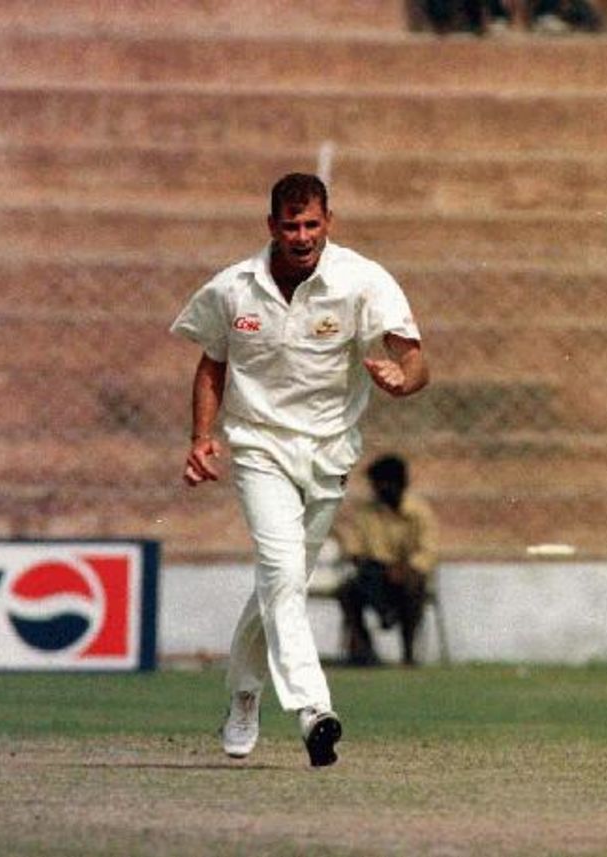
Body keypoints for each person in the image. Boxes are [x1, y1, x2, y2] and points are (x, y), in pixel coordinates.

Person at [171, 172, 429, 767]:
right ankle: (314, 708)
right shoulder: (233, 287)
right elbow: (212, 364)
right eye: (291, 225)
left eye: (312, 224)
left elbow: (415, 362)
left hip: (329, 452)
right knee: (282, 571)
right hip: (259, 447)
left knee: (281, 584)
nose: (302, 236)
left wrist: (402, 381)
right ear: (272, 227)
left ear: (328, 223)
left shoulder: (361, 280)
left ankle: (242, 696)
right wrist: (200, 437)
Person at [331, 454, 439, 668]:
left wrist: (406, 569)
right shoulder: (367, 512)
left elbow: (428, 552)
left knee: (412, 587)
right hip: (375, 574)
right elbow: (355, 546)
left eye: (381, 483)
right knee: (347, 592)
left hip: (407, 573)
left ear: (398, 484)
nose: (377, 489)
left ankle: (408, 654)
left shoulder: (419, 512)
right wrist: (357, 555)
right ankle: (365, 652)